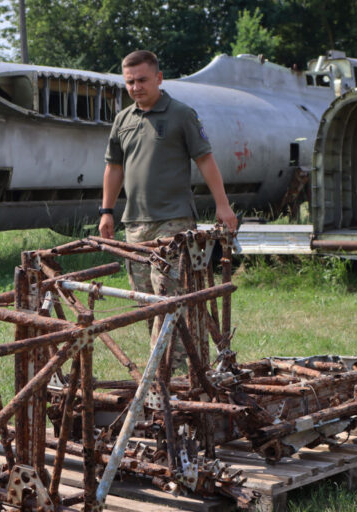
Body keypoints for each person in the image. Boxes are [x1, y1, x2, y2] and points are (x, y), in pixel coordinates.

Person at [98, 50, 237, 371]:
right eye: (129, 82)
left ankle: (167, 376)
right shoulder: (123, 120)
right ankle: (173, 369)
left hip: (173, 224)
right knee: (147, 302)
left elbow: (205, 159)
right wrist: (107, 210)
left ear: (159, 78)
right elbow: (113, 167)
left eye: (142, 80)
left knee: (170, 301)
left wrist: (222, 205)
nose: (135, 87)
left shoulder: (181, 114)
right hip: (135, 226)